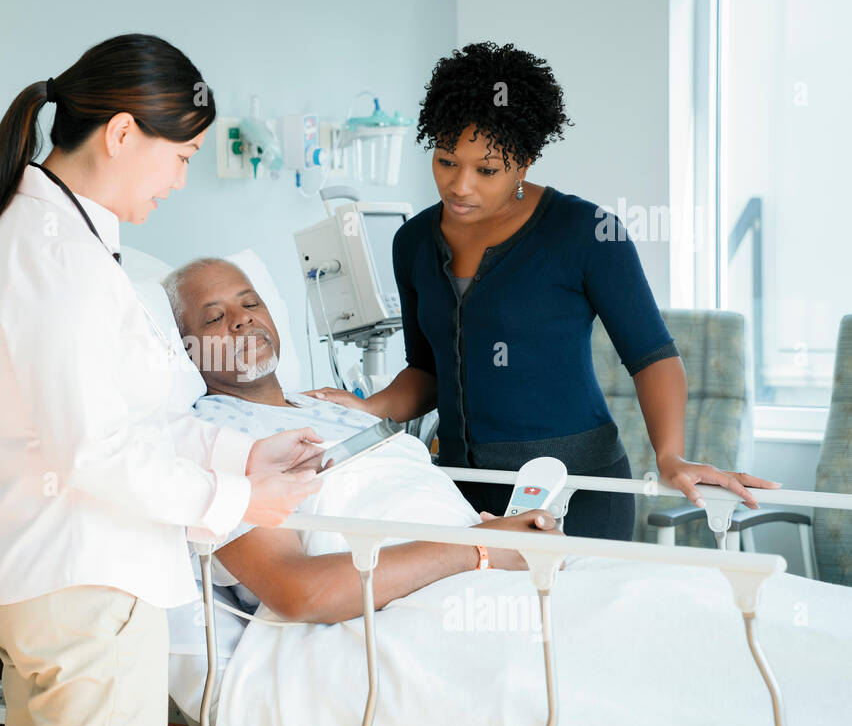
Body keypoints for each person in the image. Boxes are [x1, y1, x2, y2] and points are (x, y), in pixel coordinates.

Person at [0, 34, 322, 726]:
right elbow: (94, 450)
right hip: (88, 586)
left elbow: (135, 417)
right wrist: (243, 499)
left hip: (48, 579)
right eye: (181, 157)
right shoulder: (57, 253)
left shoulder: (61, 235)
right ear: (122, 134)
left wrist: (241, 456)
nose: (182, 181)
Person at [310, 41, 778, 539]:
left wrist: (669, 455)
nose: (460, 186)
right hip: (458, 490)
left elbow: (652, 356)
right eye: (447, 162)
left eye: (486, 170)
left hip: (578, 491)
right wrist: (371, 407)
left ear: (525, 161)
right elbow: (428, 369)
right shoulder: (412, 243)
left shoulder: (589, 232)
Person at [163, 256, 555, 625]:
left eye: (251, 303)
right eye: (215, 317)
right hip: (396, 610)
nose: (242, 319)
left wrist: (502, 535)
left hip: (478, 567)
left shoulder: (333, 408)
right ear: (185, 350)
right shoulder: (212, 438)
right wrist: (477, 548)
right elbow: (299, 591)